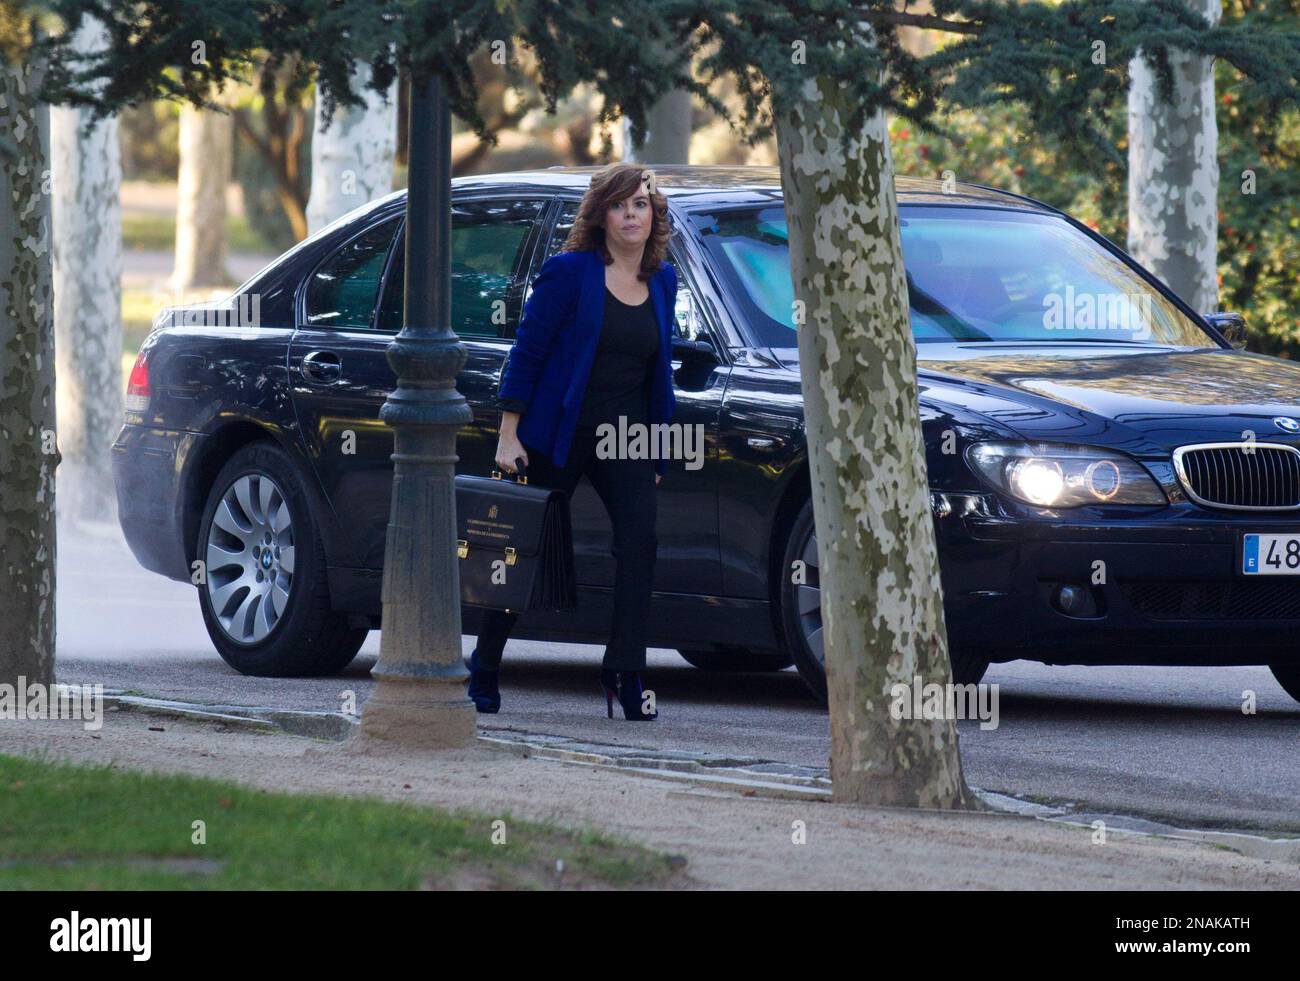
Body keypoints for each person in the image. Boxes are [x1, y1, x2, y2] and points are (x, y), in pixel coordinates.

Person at [464, 162, 678, 721]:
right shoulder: (569, 272)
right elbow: (528, 353)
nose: (631, 215)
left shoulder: (663, 279)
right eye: (619, 205)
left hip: (626, 436)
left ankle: (625, 672)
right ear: (601, 215)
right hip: (556, 432)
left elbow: (660, 372)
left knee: (641, 545)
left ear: (654, 215)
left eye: (641, 204)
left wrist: (657, 447)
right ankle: (484, 664)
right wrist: (508, 435)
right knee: (522, 548)